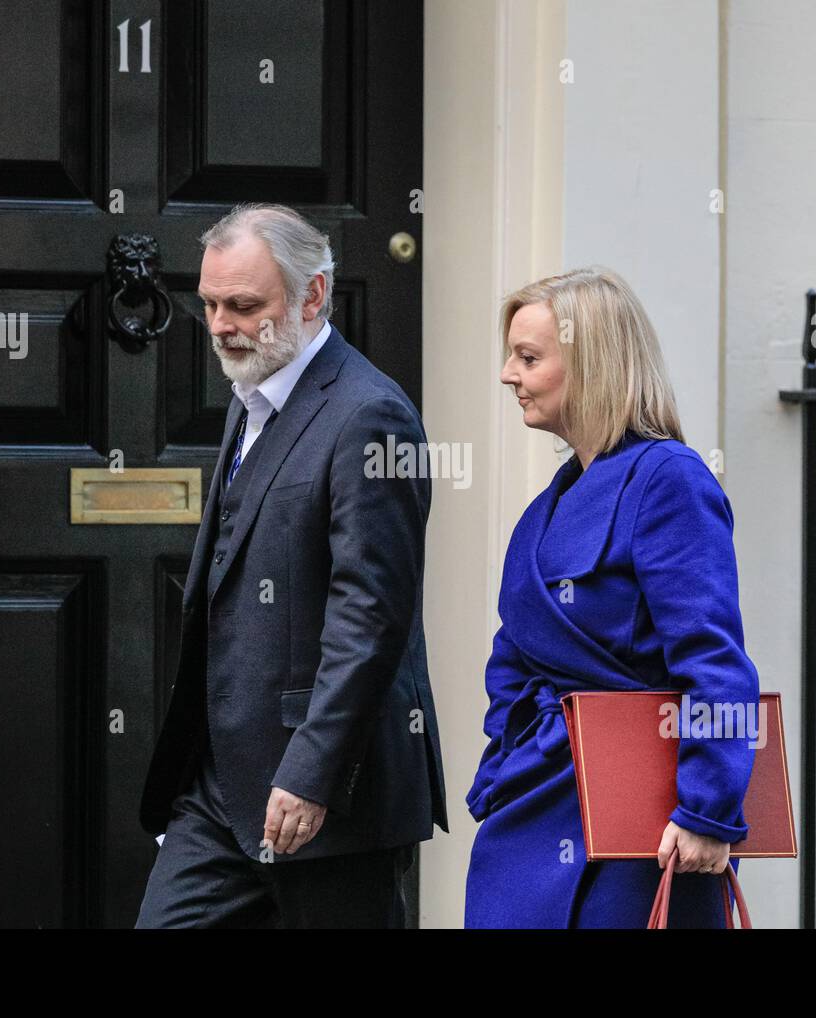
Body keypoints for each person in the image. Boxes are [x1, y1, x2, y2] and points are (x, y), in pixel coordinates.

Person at [136, 203, 447, 929]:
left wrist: (313, 772)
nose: (219, 325)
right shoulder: (253, 393)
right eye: (209, 303)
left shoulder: (372, 415)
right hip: (217, 790)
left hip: (327, 795)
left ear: (313, 296)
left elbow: (371, 616)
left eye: (244, 305)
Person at [464, 267, 759, 928]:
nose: (509, 374)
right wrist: (498, 768)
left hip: (641, 828)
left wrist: (707, 809)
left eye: (529, 357)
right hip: (533, 805)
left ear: (593, 364)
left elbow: (714, 660)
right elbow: (511, 661)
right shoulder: (550, 502)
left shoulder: (669, 480)